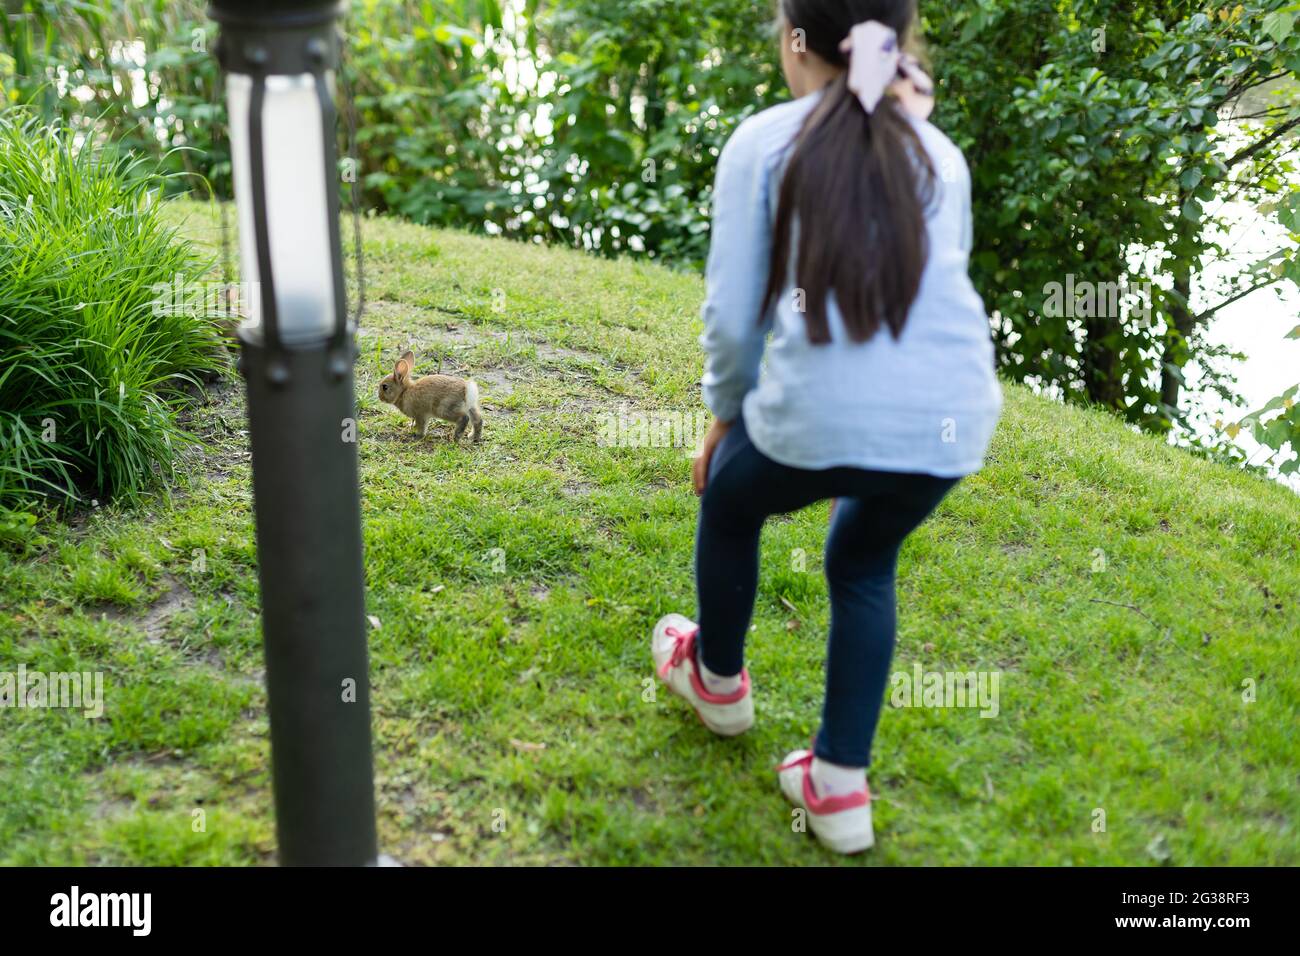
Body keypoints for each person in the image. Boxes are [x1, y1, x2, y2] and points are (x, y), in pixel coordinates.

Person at [650, 0, 1002, 854]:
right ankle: (840, 788)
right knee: (862, 560)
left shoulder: (765, 142)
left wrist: (722, 421)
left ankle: (719, 682)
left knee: (731, 505)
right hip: (954, 420)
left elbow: (735, 322)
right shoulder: (939, 152)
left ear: (794, 39)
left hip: (817, 413)